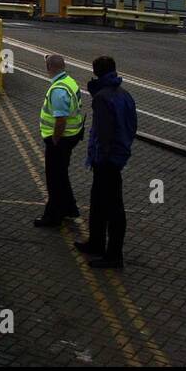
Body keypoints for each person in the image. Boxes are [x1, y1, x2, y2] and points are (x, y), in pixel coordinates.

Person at [75, 56, 136, 269]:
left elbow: (103, 133)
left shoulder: (102, 98)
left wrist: (100, 157)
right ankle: (97, 242)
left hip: (106, 160)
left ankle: (112, 254)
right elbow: (132, 126)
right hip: (118, 156)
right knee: (101, 202)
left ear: (96, 72)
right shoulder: (125, 94)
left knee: (110, 207)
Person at [34, 54, 84, 227]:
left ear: (49, 68)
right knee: (61, 174)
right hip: (72, 135)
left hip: (60, 140)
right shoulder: (70, 81)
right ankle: (70, 208)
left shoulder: (58, 90)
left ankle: (53, 217)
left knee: (54, 179)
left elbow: (60, 120)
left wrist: (55, 139)